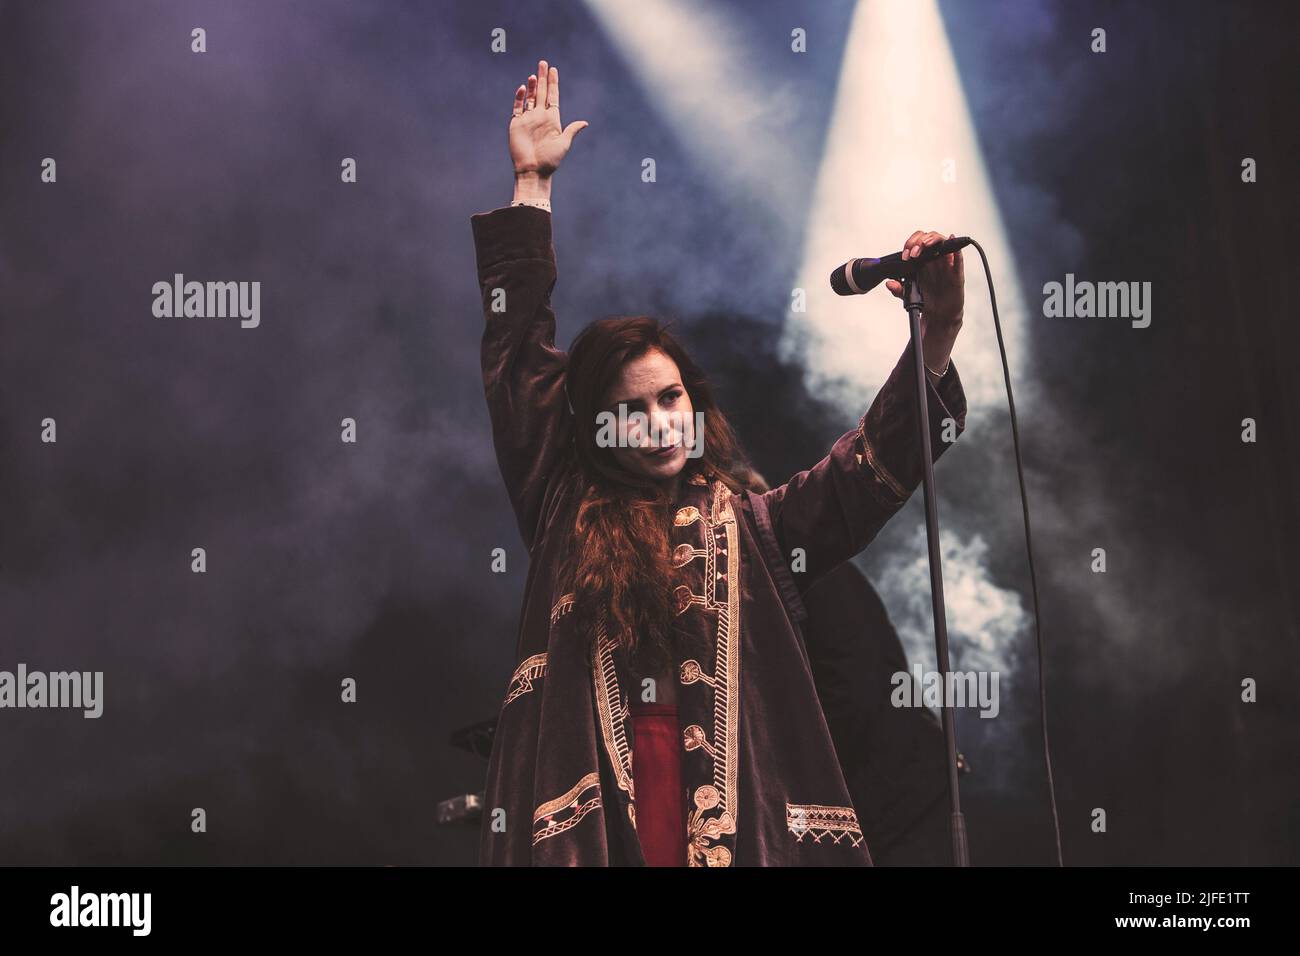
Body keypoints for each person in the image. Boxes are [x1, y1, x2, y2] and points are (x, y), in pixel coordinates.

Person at [471, 59, 968, 866]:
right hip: (603, 819)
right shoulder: (561, 501)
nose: (662, 423)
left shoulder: (753, 524)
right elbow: (516, 354)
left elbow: (868, 469)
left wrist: (935, 337)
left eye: (672, 399)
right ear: (597, 429)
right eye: (633, 412)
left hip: (734, 820)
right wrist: (532, 186)